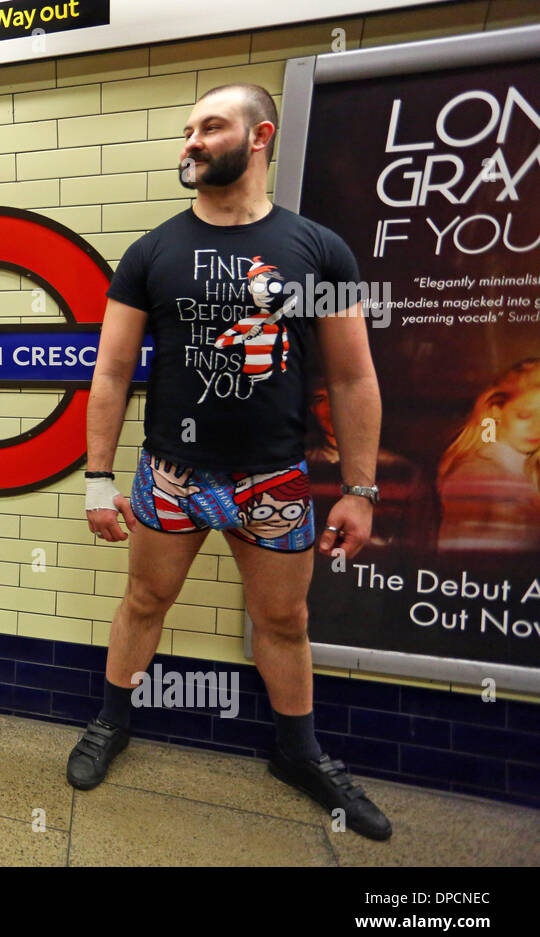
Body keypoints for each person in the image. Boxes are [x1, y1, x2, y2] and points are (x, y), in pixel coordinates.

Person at [70, 83, 393, 840]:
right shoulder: (152, 251)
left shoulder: (319, 249)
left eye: (209, 127)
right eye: (187, 129)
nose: (190, 141)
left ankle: (298, 751)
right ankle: (113, 721)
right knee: (144, 604)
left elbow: (352, 377)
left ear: (259, 137)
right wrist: (96, 478)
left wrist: (361, 488)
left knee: (283, 619)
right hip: (171, 475)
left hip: (274, 476)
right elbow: (111, 373)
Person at [437, 357, 540, 552]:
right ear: (496, 411)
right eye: (525, 415)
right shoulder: (478, 472)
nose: (537, 428)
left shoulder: (524, 470)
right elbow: (460, 557)